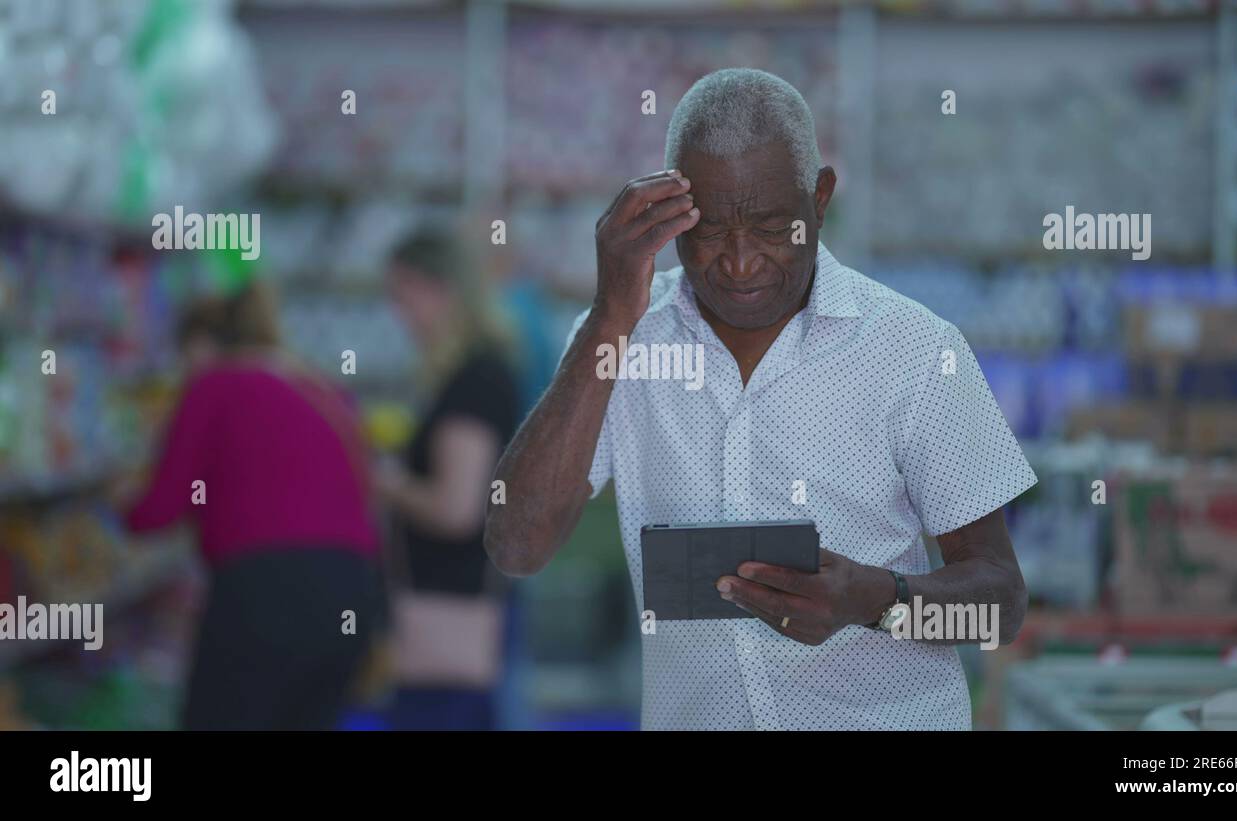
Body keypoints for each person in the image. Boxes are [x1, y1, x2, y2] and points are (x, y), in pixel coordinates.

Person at [485, 68, 1037, 730]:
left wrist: (875, 599)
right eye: (709, 229)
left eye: (774, 226)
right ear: (667, 216)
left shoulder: (914, 349)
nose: (741, 262)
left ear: (821, 198)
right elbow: (517, 544)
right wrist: (608, 314)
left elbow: (998, 605)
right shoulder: (622, 338)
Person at [123, 282, 382, 730]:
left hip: (263, 593)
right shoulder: (321, 387)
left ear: (201, 345)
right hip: (351, 592)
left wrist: (117, 503)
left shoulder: (214, 384)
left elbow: (160, 508)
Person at [377, 228, 519, 730]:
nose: (399, 315)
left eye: (402, 295)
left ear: (438, 289)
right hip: (457, 603)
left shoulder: (473, 380)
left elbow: (455, 507)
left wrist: (382, 481)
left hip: (446, 607)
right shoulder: (485, 371)